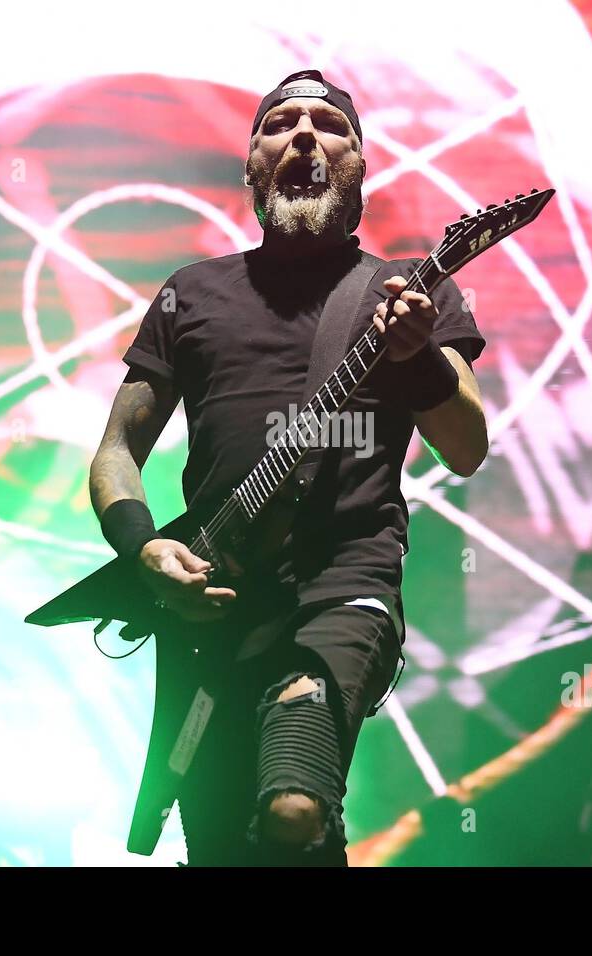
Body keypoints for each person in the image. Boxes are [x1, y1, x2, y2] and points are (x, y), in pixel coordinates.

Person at [89, 69, 489, 865]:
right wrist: (141, 549)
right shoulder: (190, 295)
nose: (304, 135)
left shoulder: (403, 296)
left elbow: (467, 446)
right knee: (223, 841)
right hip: (214, 604)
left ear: (360, 164)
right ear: (250, 166)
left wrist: (414, 362)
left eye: (328, 125)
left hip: (342, 588)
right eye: (279, 123)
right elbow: (116, 452)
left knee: (295, 805)